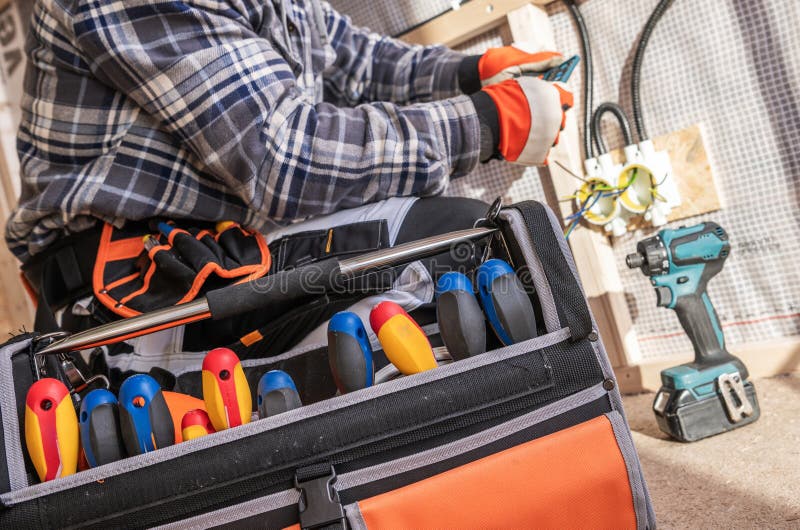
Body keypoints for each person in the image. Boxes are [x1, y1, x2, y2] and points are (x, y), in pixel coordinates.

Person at [7, 0, 571, 370]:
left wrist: (471, 73)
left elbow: (353, 59)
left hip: (223, 245)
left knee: (475, 251)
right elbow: (286, 156)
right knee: (463, 248)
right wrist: (486, 123)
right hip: (139, 300)